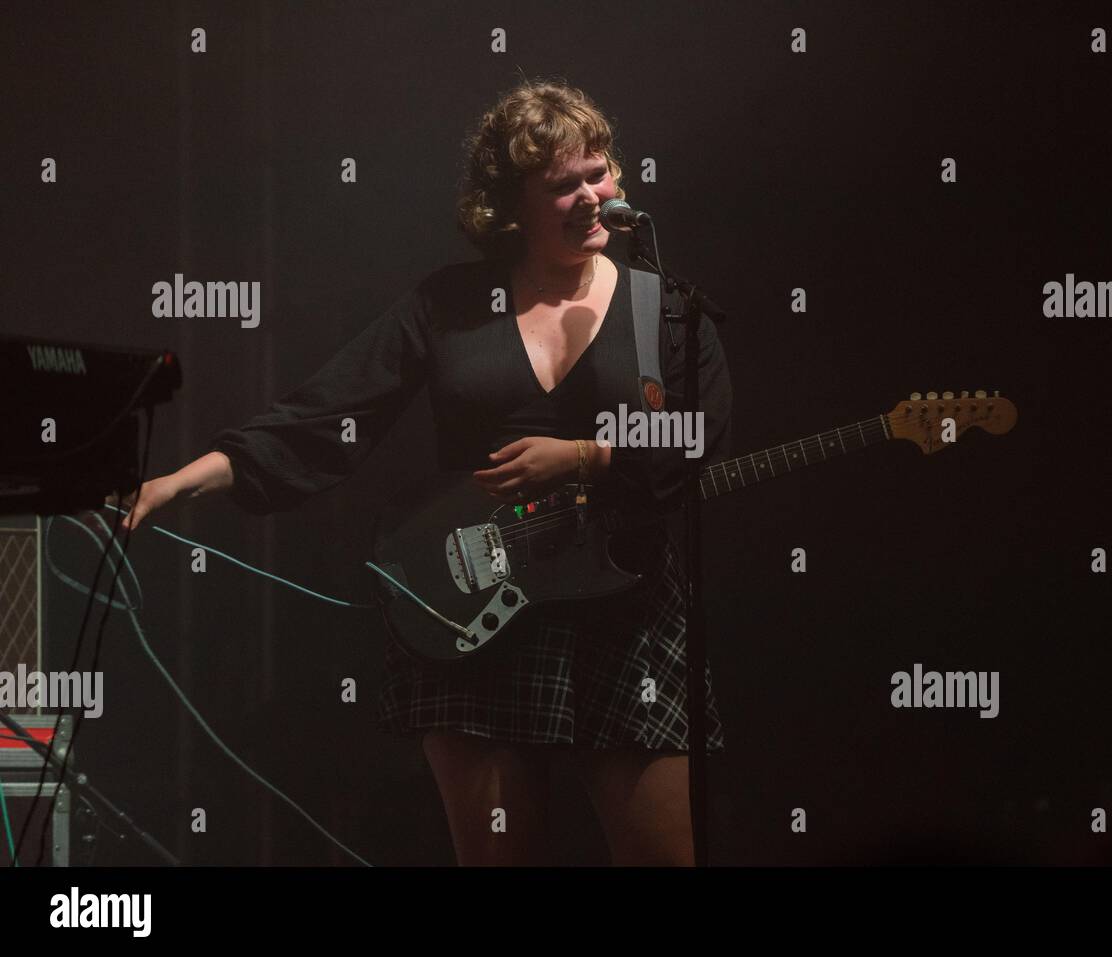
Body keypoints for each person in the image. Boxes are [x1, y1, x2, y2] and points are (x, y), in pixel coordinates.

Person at [113, 78, 733, 866]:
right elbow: (324, 415)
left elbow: (695, 439)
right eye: (562, 185)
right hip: (471, 610)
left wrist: (584, 456)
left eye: (598, 173)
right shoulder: (450, 304)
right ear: (511, 205)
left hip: (627, 609)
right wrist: (171, 485)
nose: (589, 196)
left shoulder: (666, 308)